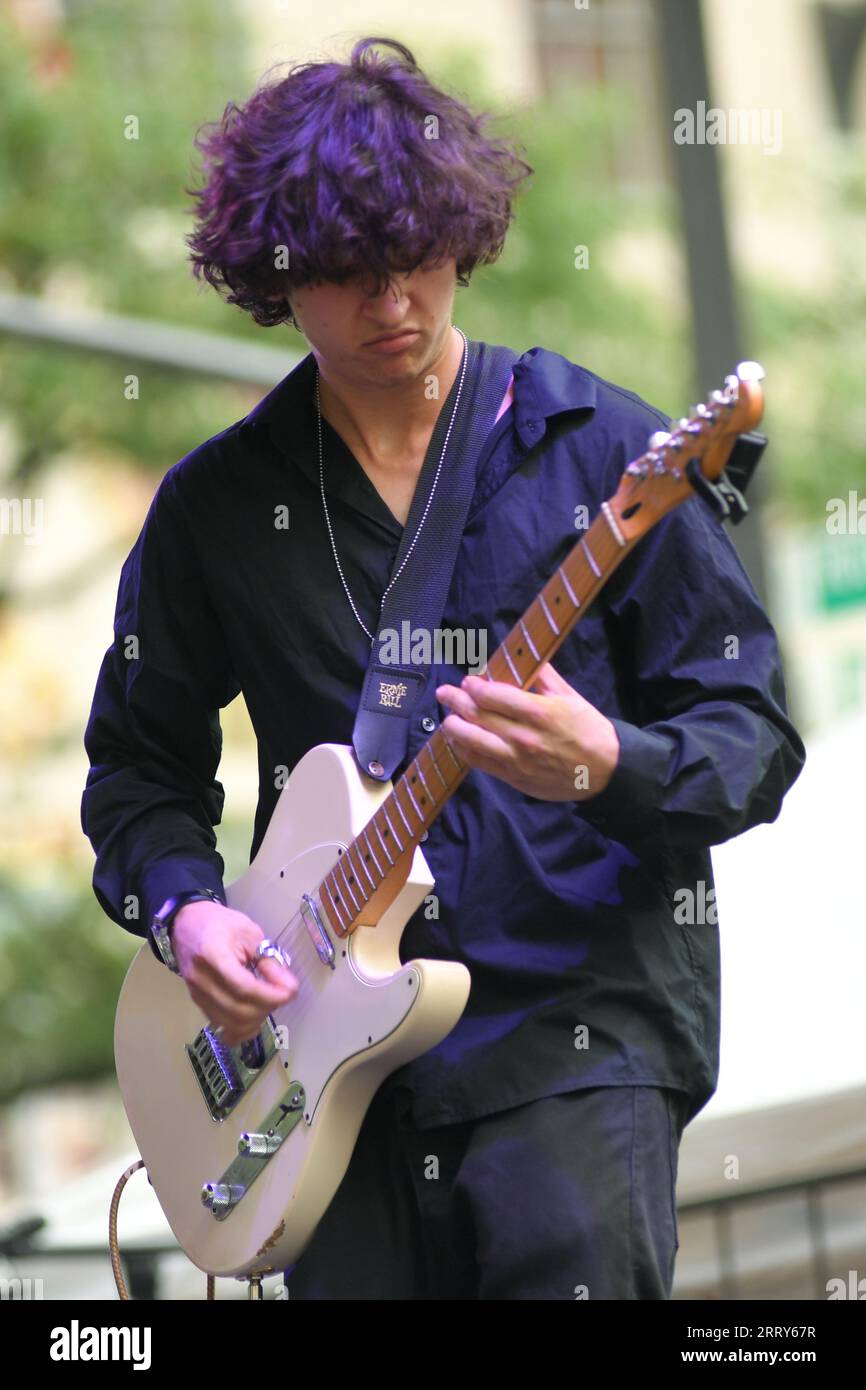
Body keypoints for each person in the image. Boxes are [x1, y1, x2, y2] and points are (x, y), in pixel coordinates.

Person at [81, 36, 806, 1300]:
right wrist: (187, 910)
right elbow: (139, 774)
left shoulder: (603, 452)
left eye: (417, 259)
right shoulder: (213, 511)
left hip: (575, 1036)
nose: (395, 305)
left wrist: (608, 764)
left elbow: (751, 732)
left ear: (461, 238)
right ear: (275, 277)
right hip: (321, 1077)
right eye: (350, 276)